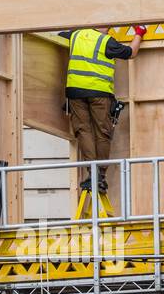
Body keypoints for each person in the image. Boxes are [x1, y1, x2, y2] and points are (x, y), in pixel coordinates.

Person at [58, 24, 145, 194]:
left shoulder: (76, 35)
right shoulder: (106, 42)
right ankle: (100, 176)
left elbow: (60, 34)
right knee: (102, 132)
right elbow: (131, 53)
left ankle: (92, 173)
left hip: (75, 91)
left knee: (83, 131)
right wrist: (139, 33)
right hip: (99, 93)